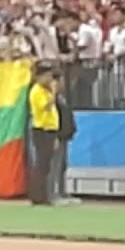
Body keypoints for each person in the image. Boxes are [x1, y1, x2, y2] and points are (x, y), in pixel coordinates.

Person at [28, 65, 60, 206]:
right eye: (46, 76)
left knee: (45, 164)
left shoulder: (44, 91)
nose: (49, 79)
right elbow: (45, 106)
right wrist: (53, 93)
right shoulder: (37, 91)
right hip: (42, 130)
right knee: (41, 164)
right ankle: (37, 196)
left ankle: (43, 194)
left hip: (50, 130)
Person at [51, 67, 80, 205]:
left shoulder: (63, 97)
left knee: (62, 165)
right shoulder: (52, 98)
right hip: (56, 134)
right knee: (54, 165)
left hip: (65, 134)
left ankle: (63, 191)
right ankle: (53, 193)